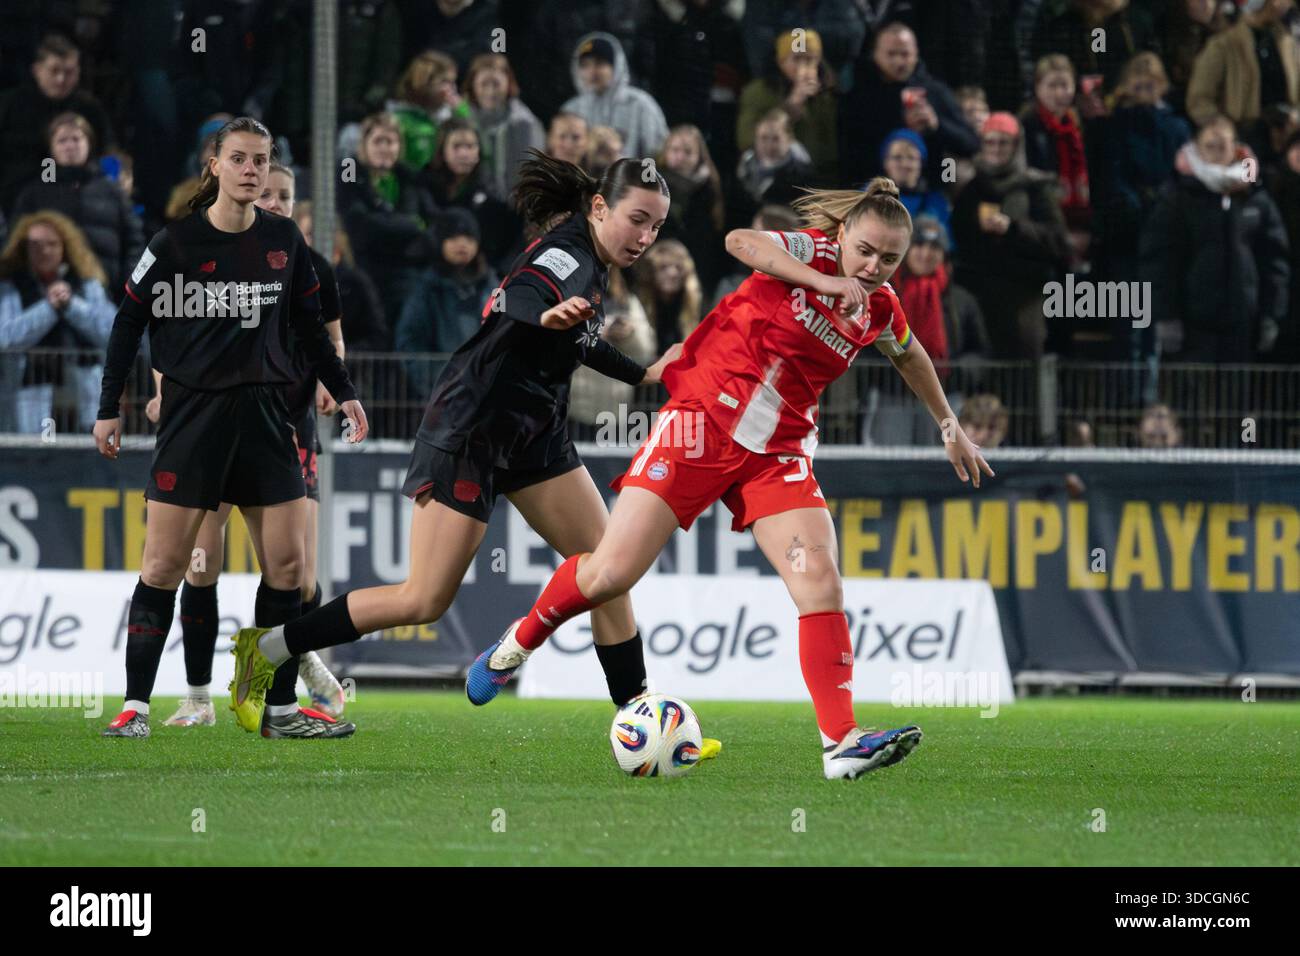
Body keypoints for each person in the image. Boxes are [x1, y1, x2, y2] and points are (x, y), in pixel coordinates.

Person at [466, 179, 995, 781]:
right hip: (700, 424)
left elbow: (908, 352)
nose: (875, 268)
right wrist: (823, 280)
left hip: (779, 451)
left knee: (819, 578)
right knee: (611, 572)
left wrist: (948, 423)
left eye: (890, 260)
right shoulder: (810, 254)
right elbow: (740, 240)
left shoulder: (879, 307)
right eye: (866, 251)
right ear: (842, 235)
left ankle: (841, 742)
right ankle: (519, 642)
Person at [222, 152, 714, 751]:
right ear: (600, 207)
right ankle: (269, 648)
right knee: (423, 599)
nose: (646, 236)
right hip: (471, 430)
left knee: (607, 569)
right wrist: (546, 312)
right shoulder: (567, 254)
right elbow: (526, 294)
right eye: (638, 219)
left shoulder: (595, 261)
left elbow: (578, 336)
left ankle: (644, 717)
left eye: (657, 227)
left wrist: (640, 373)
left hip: (534, 434)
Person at [93, 117, 369, 738]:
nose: (253, 171)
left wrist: (345, 390)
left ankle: (276, 709)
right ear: (214, 166)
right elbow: (125, 325)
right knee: (165, 566)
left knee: (289, 570)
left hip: (269, 418)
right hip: (194, 421)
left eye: (262, 161)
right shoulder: (174, 245)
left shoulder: (283, 242)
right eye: (240, 159)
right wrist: (110, 405)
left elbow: (308, 330)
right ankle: (137, 705)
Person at [149, 162, 353, 735]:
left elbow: (330, 338)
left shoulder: (309, 267)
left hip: (288, 428)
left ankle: (275, 667)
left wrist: (331, 382)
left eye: (286, 195)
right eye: (267, 193)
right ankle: (199, 696)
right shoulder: (215, 260)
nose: (277, 203)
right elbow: (175, 337)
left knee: (299, 576)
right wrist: (166, 393)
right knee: (201, 562)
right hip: (217, 422)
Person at [0, 210, 117, 433]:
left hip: (83, 391)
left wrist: (71, 305)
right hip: (30, 395)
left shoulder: (87, 285)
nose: (43, 251)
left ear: (65, 247)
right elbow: (6, 338)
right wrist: (48, 308)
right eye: (34, 244)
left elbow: (112, 332)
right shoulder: (10, 288)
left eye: (51, 244)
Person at [12, 112, 144, 292]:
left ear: (89, 143)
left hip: (107, 292)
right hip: (46, 295)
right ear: (51, 149)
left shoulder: (113, 191)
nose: (70, 146)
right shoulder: (34, 194)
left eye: (76, 139)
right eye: (62, 141)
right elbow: (17, 245)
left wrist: (130, 287)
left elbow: (134, 242)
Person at [561, 33, 668, 160]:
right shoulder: (571, 109)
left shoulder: (641, 104)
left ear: (617, 66)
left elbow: (660, 155)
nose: (592, 71)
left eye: (600, 63)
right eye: (585, 65)